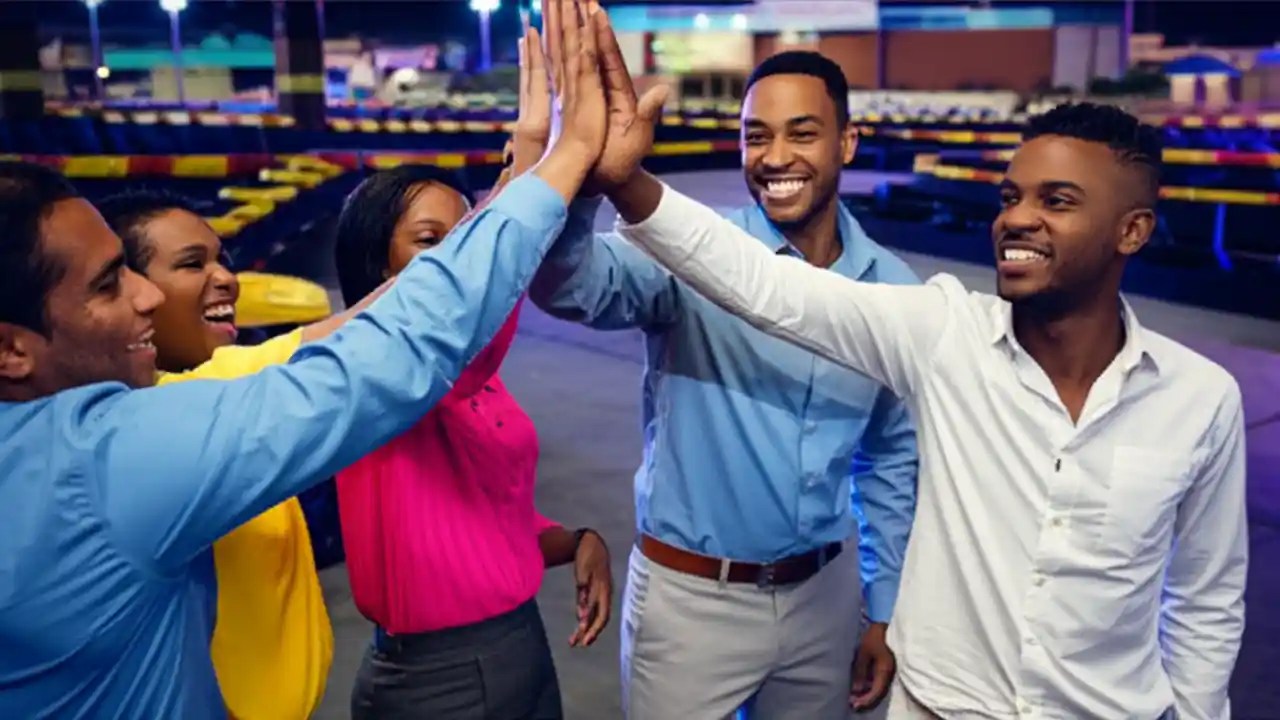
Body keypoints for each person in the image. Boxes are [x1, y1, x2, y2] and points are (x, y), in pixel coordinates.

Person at [0, 3, 610, 715]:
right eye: (110, 283)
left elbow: (373, 327)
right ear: (11, 348)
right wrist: (559, 167)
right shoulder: (115, 455)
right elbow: (397, 344)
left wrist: (524, 173)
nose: (143, 297)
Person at [603, 102, 1248, 719]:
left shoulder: (1199, 399)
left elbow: (1205, 601)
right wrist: (627, 181)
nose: (1017, 219)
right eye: (1010, 198)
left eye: (1056, 201)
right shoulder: (944, 334)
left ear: (1131, 230)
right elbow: (768, 287)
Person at [529, 45, 918, 718]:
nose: (774, 158)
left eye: (802, 133)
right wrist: (584, 179)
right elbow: (571, 288)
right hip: (692, 604)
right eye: (756, 136)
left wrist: (883, 608)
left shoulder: (892, 291)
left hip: (825, 599)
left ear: (847, 142)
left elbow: (890, 457)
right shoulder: (692, 253)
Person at [334, 162, 612, 719]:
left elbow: (493, 528)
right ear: (375, 264)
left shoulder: (476, 381)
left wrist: (580, 540)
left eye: (467, 240)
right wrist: (536, 182)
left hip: (518, 645)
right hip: (440, 682)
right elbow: (476, 315)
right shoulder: (370, 374)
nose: (459, 261)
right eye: (431, 242)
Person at [95, 189, 332, 720]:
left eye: (220, 257)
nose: (226, 276)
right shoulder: (194, 400)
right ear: (132, 292)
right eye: (191, 263)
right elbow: (384, 324)